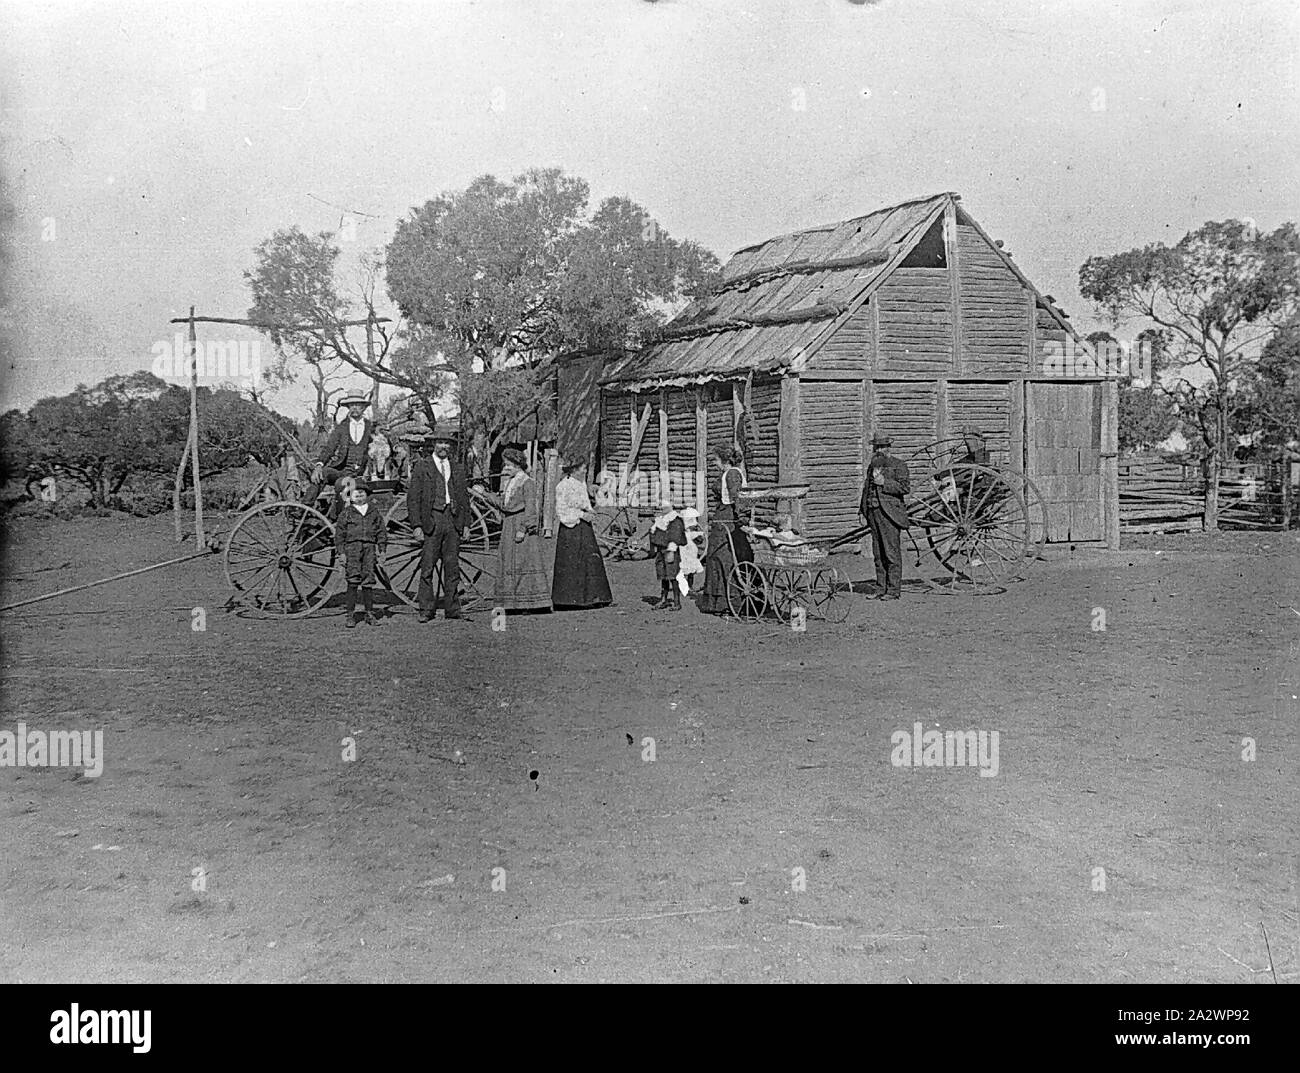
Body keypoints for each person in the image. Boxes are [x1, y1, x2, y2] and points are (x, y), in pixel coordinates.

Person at [407, 428, 471, 622]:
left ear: (450, 446)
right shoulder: (422, 466)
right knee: (427, 567)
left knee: (452, 567)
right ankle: (426, 610)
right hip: (431, 520)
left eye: (447, 443)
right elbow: (413, 498)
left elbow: (464, 498)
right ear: (433, 445)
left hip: (452, 521)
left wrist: (466, 524)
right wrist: (416, 526)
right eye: (440, 443)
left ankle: (452, 609)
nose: (444, 446)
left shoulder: (457, 467)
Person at [494, 447, 552, 612]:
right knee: (509, 563)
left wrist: (524, 528)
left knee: (522, 563)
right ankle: (510, 602)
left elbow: (531, 508)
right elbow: (505, 506)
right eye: (506, 465)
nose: (506, 469)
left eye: (509, 466)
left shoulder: (528, 482)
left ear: (518, 465)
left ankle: (528, 603)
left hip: (520, 526)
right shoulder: (511, 482)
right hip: (508, 526)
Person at [551, 456, 612, 610]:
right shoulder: (563, 486)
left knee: (590, 560)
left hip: (585, 528)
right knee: (572, 562)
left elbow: (584, 503)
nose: (585, 470)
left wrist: (590, 512)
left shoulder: (581, 483)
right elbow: (562, 509)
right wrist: (580, 515)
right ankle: (569, 600)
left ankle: (594, 597)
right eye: (582, 468)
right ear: (574, 470)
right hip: (571, 529)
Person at [698, 446, 753, 614]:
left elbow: (738, 498)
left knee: (723, 557)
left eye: (716, 460)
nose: (714, 464)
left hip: (727, 519)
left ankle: (727, 602)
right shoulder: (729, 473)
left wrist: (742, 518)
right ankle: (717, 600)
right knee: (716, 557)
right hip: (723, 516)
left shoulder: (732, 474)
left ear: (725, 460)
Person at [859, 433, 911, 599]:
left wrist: (884, 483)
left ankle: (893, 590)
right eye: (876, 447)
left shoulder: (898, 465)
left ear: (889, 447)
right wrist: (862, 510)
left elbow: (904, 488)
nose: (879, 450)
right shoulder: (872, 466)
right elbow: (866, 489)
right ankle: (880, 588)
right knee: (878, 554)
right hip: (873, 513)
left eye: (882, 447)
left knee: (891, 553)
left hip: (890, 514)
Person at [307, 392, 374, 516]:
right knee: (323, 473)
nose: (354, 408)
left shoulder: (371, 427)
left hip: (360, 475)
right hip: (342, 470)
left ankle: (339, 519)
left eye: (357, 405)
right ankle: (304, 509)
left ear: (363, 408)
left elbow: (379, 448)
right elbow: (329, 448)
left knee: (342, 483)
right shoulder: (341, 427)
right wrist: (319, 465)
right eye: (351, 405)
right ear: (348, 407)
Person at [335, 478, 387, 627]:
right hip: (352, 549)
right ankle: (350, 615)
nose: (358, 495)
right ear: (350, 496)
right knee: (352, 580)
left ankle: (369, 613)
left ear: (367, 495)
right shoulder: (346, 513)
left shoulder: (373, 512)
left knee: (368, 581)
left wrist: (382, 549)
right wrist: (341, 553)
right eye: (355, 493)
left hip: (369, 549)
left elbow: (381, 531)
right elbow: (339, 534)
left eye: (362, 493)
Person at [649, 498, 686, 610]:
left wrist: (671, 550)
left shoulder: (675, 520)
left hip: (670, 550)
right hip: (661, 550)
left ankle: (676, 602)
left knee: (673, 576)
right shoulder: (661, 519)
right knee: (663, 575)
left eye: (663, 507)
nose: (661, 509)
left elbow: (675, 536)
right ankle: (663, 599)